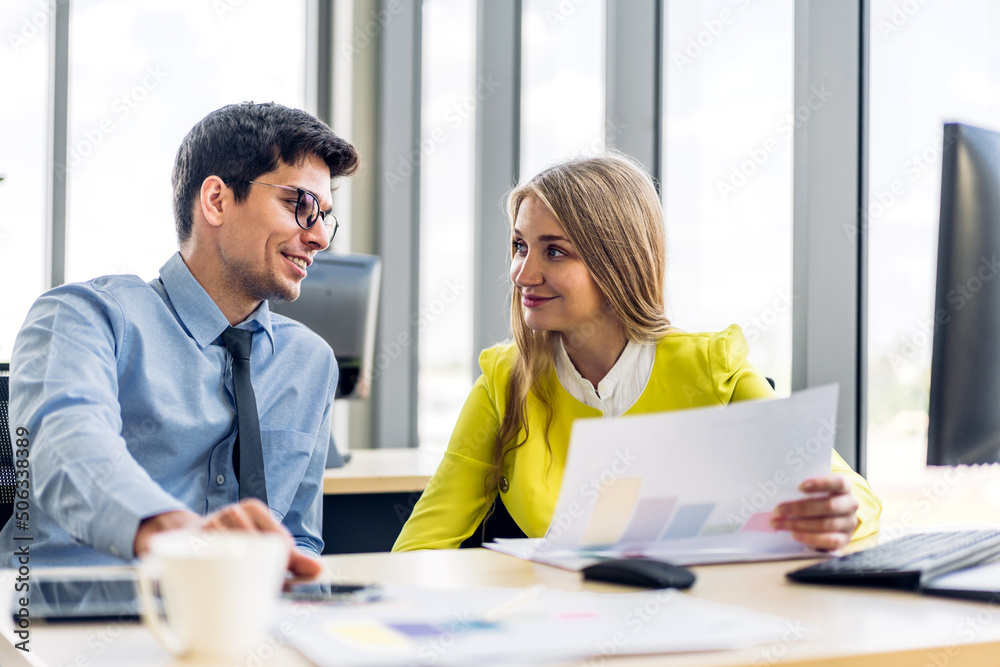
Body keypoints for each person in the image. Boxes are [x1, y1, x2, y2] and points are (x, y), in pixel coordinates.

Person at [394, 153, 880, 552]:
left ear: (615, 262)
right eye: (520, 246)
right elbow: (422, 544)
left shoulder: (710, 370)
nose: (523, 273)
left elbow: (854, 493)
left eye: (554, 251)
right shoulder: (506, 381)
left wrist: (838, 511)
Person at [1, 102, 358, 575]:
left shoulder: (310, 362)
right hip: (67, 623)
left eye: (324, 216)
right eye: (300, 205)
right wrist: (180, 540)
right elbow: (67, 449)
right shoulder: (82, 318)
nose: (319, 238)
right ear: (216, 200)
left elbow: (298, 536)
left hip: (237, 629)